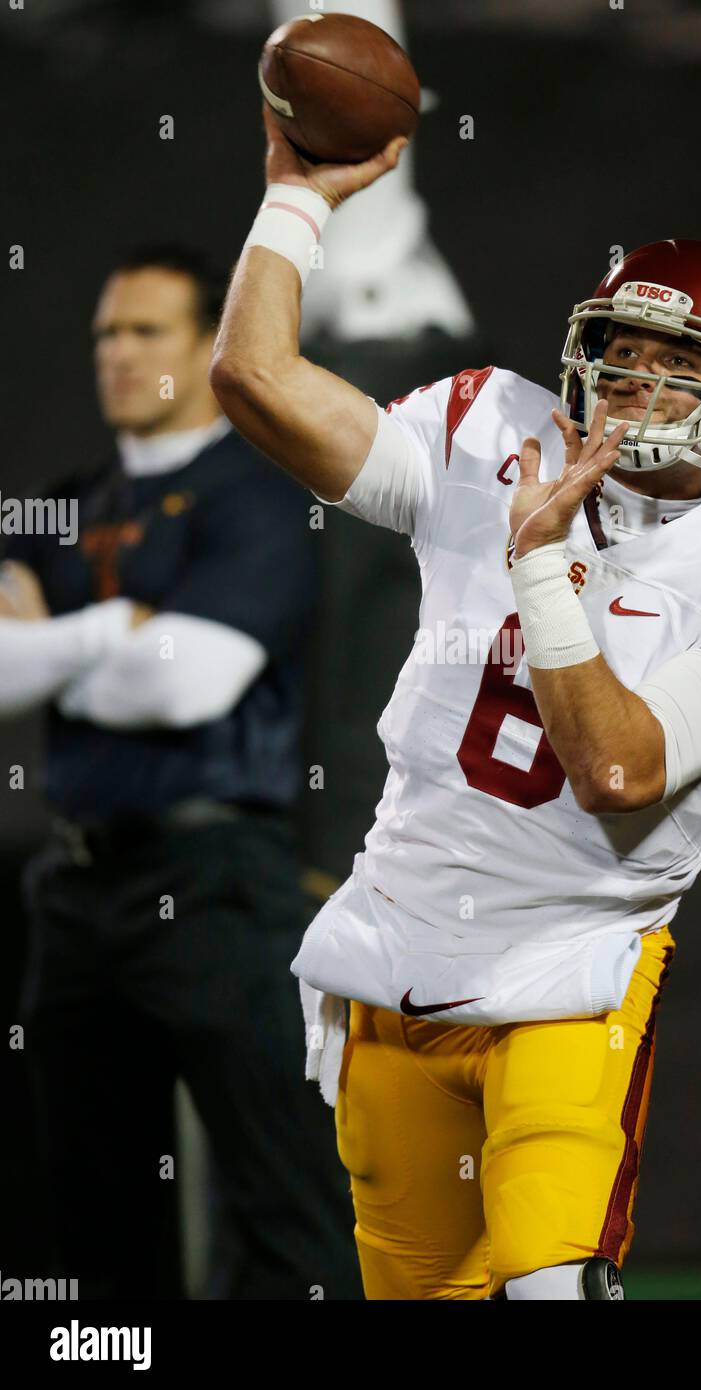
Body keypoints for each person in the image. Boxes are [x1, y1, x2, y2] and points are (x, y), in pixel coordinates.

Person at [209, 112, 701, 1300]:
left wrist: (539, 569)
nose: (639, 383)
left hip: (568, 967)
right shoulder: (486, 425)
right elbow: (254, 380)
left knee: (547, 1288)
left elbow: (618, 772)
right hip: (396, 943)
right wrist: (294, 200)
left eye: (681, 364)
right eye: (622, 349)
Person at [0, 245, 361, 1299]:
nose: (117, 353)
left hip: (216, 879)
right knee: (94, 1224)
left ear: (206, 348)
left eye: (146, 331)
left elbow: (184, 686)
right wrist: (114, 624)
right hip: (76, 891)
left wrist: (53, 643)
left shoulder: (259, 496)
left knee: (288, 1200)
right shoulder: (58, 503)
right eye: (107, 333)